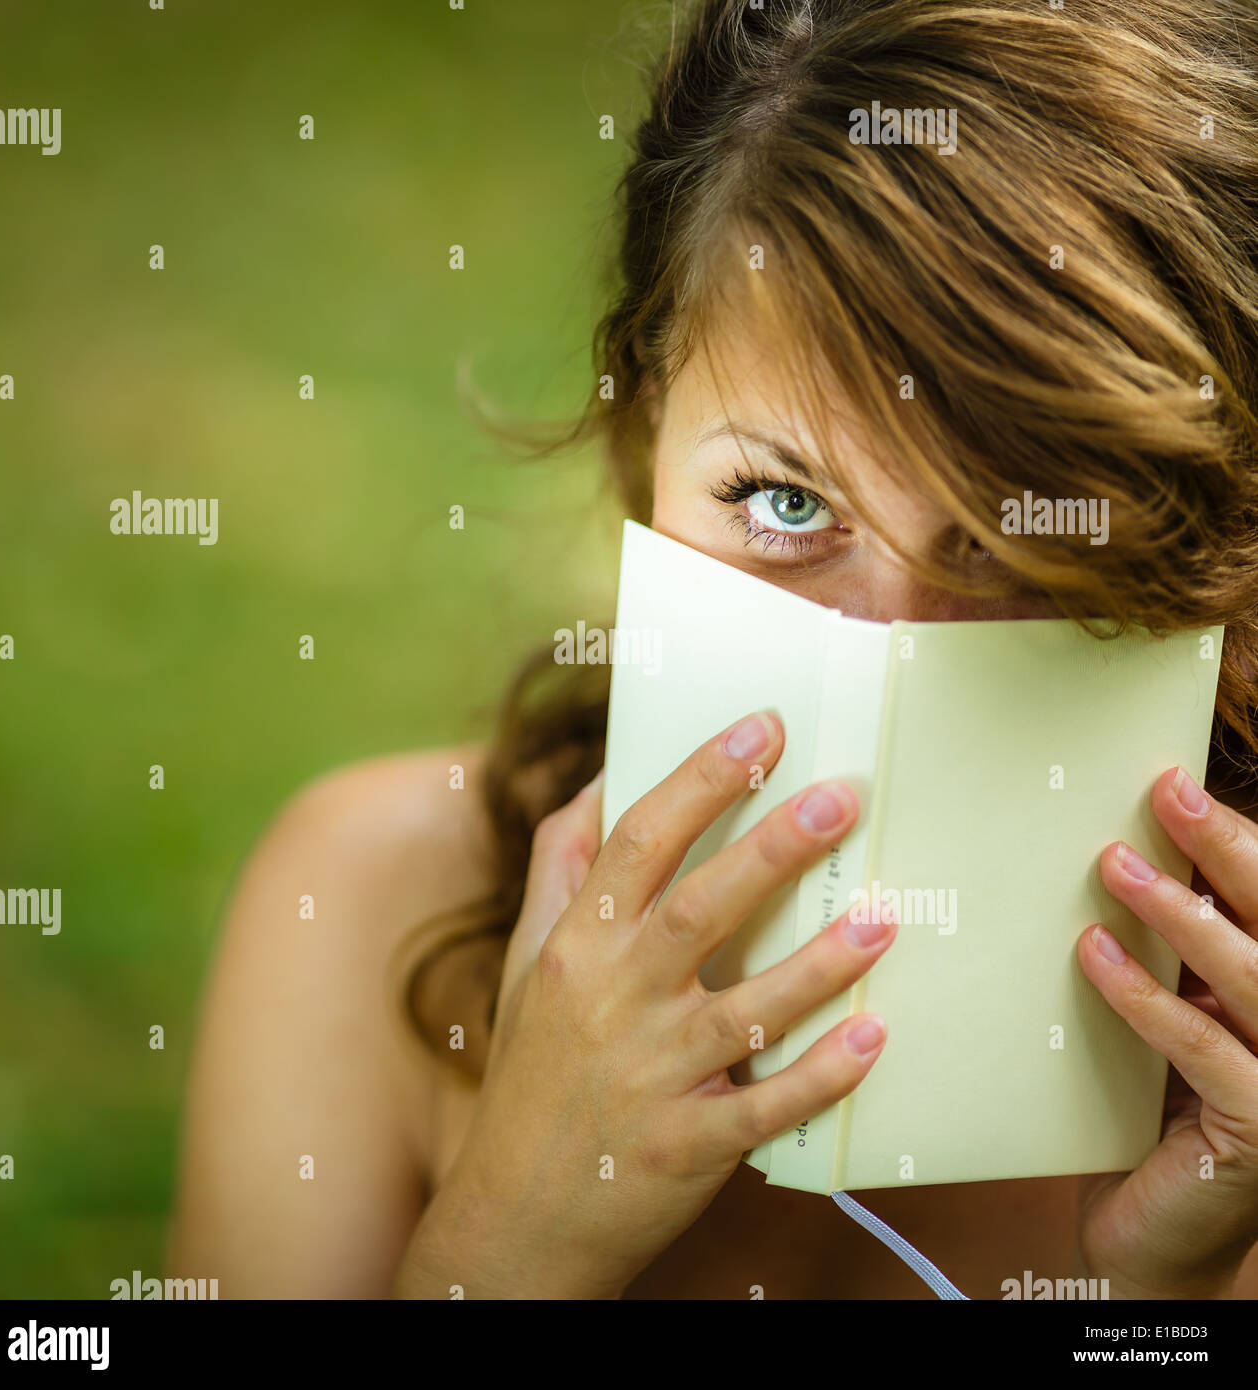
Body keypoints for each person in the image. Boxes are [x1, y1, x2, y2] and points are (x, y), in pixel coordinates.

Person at [169, 0, 1258, 1298]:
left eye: (1020, 540)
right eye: (785, 504)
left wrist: (1158, 1303)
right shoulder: (370, 899)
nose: (885, 650)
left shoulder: (1228, 1084)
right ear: (644, 449)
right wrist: (515, 1227)